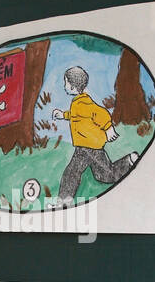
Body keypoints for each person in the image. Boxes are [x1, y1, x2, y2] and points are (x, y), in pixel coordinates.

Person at [51, 66, 138, 204]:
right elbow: (76, 116)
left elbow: (101, 113)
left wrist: (109, 128)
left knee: (72, 172)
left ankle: (62, 202)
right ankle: (129, 161)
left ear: (73, 87)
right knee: (104, 174)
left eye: (65, 83)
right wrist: (63, 115)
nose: (64, 86)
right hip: (92, 147)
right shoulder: (78, 103)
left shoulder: (84, 103)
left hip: (86, 147)